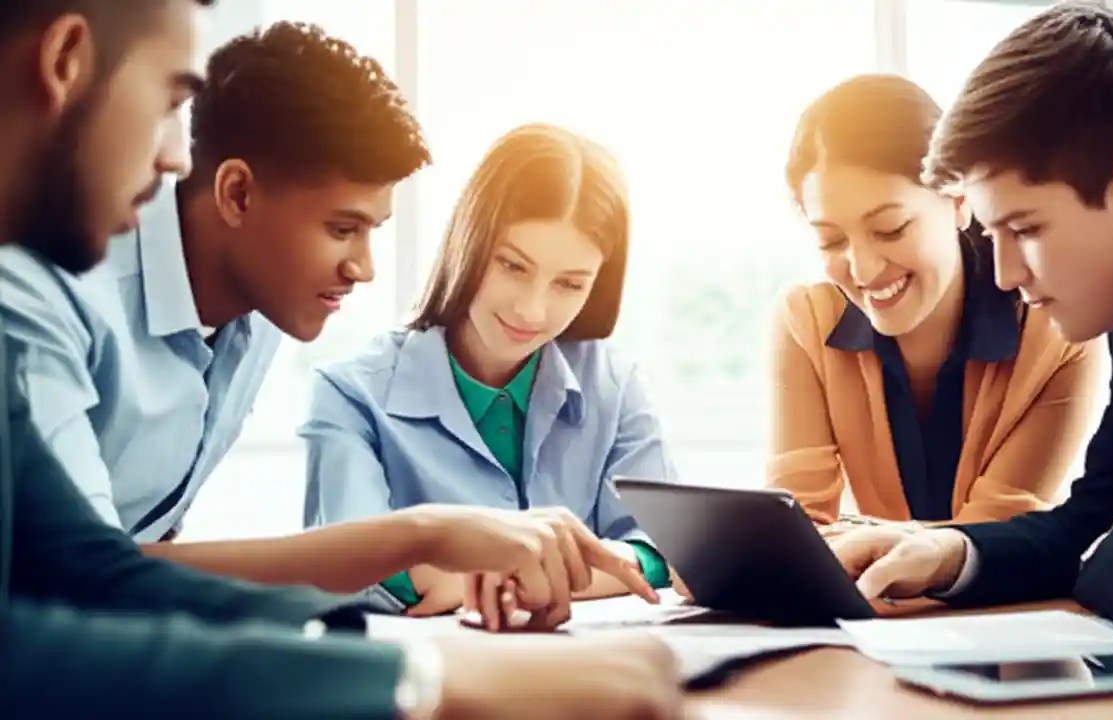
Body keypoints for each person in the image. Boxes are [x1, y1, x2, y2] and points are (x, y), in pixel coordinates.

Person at [0, 2, 683, 717]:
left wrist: (398, 643)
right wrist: (422, 672)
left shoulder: (260, 314)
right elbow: (60, 594)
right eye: (170, 101)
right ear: (65, 64)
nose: (175, 154)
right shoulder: (40, 294)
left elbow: (94, 570)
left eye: (570, 282)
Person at [827, 1, 1113, 648]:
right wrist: (950, 552)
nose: (1006, 273)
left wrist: (1108, 553)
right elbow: (1087, 524)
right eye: (991, 234)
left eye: (1026, 229)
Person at [300, 123, 678, 626]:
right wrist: (586, 569)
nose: (532, 310)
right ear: (470, 243)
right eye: (513, 266)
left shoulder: (613, 382)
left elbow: (663, 551)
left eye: (570, 284)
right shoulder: (351, 394)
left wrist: (481, 578)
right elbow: (354, 564)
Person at [772, 74, 1105, 527]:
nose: (863, 270)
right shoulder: (806, 322)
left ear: (959, 200)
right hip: (871, 594)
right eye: (831, 241)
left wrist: (858, 547)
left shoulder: (1056, 331)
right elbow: (794, 528)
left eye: (890, 229)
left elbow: (994, 541)